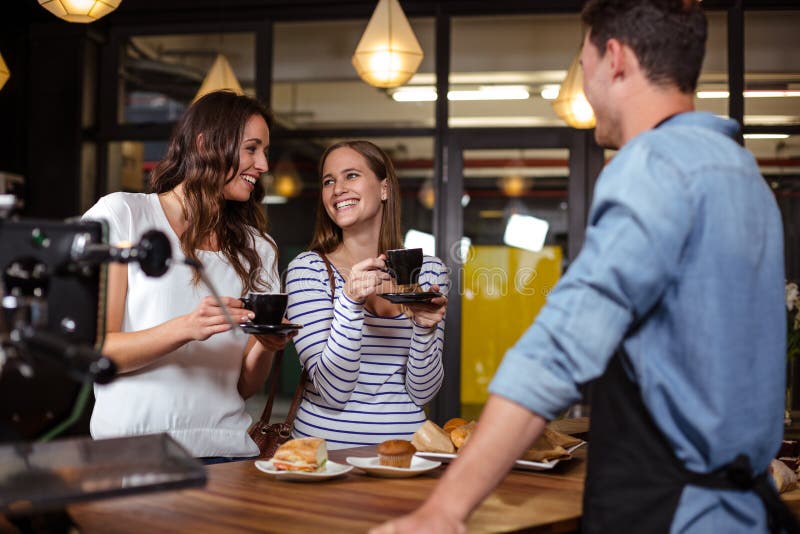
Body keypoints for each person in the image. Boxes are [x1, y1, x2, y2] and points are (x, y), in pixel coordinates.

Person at [374, 1, 789, 532]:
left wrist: (442, 511)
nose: (584, 85)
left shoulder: (653, 166)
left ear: (613, 58)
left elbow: (555, 355)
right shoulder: (743, 175)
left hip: (672, 513)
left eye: (583, 64)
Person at [83, 90, 293, 463]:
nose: (262, 165)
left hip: (227, 455)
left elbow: (244, 387)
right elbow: (97, 352)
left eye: (265, 152)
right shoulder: (123, 216)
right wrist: (186, 328)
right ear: (204, 144)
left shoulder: (259, 248)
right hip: (132, 452)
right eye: (251, 149)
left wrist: (266, 344)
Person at [284, 140, 449, 449]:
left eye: (351, 176)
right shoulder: (308, 270)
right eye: (328, 181)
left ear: (384, 188)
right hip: (325, 456)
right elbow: (333, 390)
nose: (337, 189)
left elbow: (423, 392)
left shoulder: (428, 271)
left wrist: (425, 330)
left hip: (406, 455)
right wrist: (349, 302)